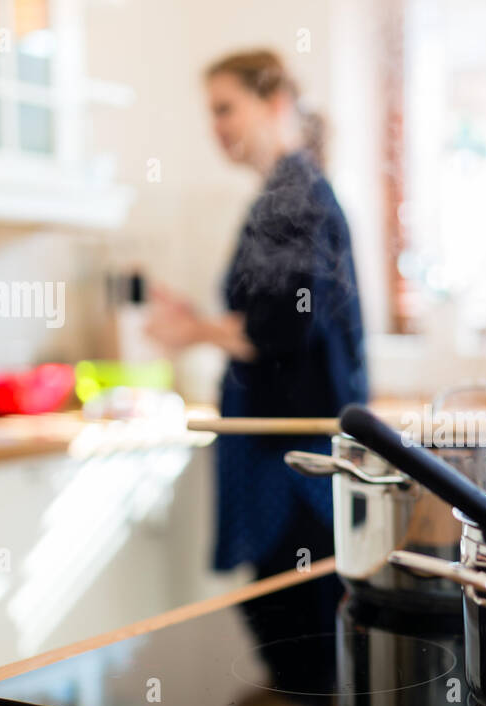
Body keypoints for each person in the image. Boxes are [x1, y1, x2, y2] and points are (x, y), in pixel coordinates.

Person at [147, 49, 368, 581]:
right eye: (211, 113)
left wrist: (195, 330)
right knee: (294, 624)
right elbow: (275, 316)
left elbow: (282, 329)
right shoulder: (289, 191)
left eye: (225, 108)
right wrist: (202, 320)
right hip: (296, 445)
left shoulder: (291, 197)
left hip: (295, 457)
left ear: (275, 102)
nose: (215, 127)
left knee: (293, 624)